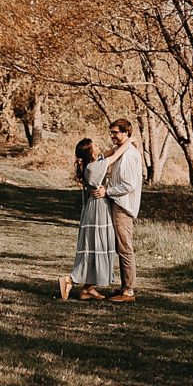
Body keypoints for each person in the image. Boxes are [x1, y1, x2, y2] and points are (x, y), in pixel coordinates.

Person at [58, 132, 133, 301]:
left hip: (96, 207)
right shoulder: (94, 167)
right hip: (98, 210)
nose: (99, 148)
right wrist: (129, 141)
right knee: (98, 244)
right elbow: (115, 156)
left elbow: (107, 153)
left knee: (96, 246)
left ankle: (88, 288)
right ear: (91, 153)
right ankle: (71, 280)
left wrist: (117, 145)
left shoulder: (91, 164)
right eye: (95, 146)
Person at [92, 118, 143, 303]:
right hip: (117, 203)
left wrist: (107, 191)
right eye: (111, 132)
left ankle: (129, 291)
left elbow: (129, 184)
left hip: (123, 205)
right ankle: (124, 287)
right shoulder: (121, 150)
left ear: (125, 133)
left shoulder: (130, 154)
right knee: (119, 246)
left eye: (115, 132)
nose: (112, 135)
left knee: (125, 247)